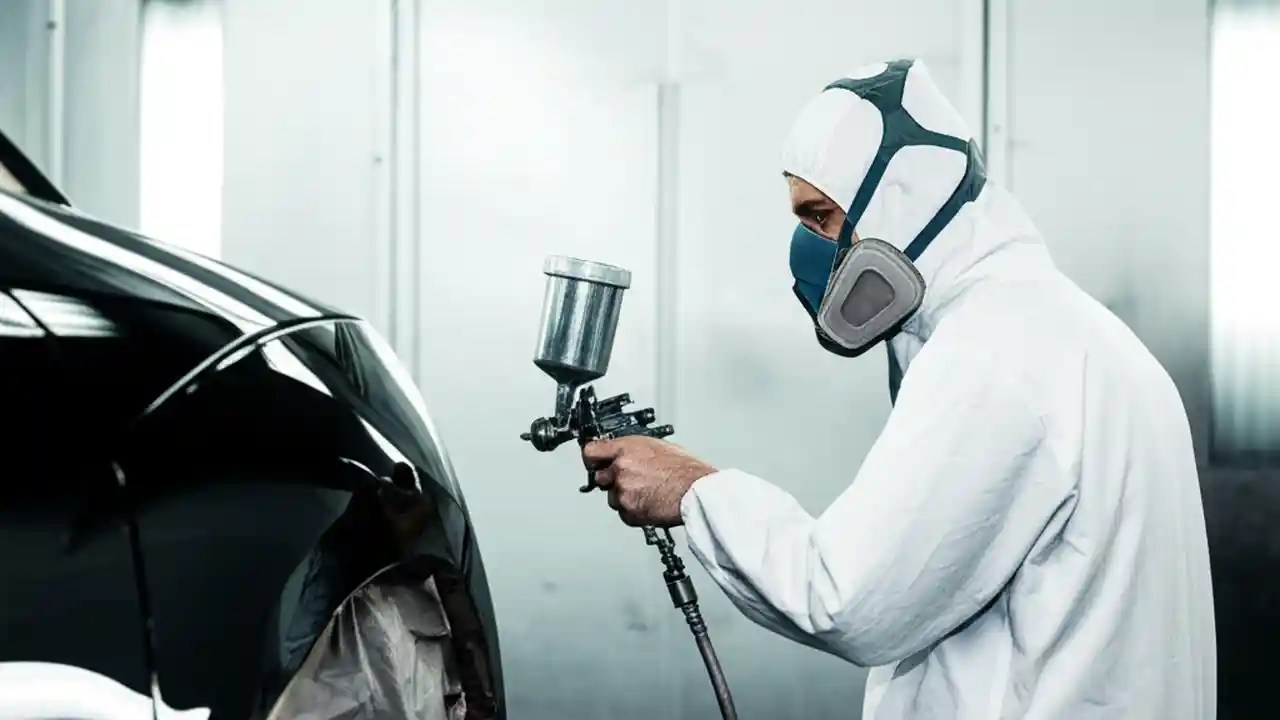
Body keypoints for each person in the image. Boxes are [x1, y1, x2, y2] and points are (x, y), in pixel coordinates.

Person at [582, 59, 1216, 719]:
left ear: (901, 197)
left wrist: (694, 491)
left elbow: (848, 598)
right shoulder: (1072, 333)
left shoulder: (995, 353)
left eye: (820, 217)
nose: (810, 249)